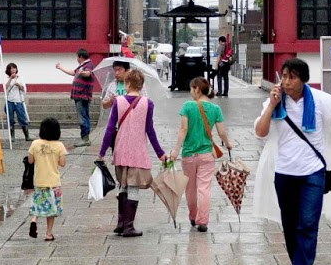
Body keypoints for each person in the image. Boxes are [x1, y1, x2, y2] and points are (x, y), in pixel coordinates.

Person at [252, 58, 331, 265]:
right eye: (284, 76)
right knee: (289, 224)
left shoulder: (323, 102)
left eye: (292, 77)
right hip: (284, 171)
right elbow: (260, 131)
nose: (286, 82)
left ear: (303, 79)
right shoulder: (276, 101)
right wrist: (271, 105)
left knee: (308, 223)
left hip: (313, 172)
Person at [99, 68, 165, 237]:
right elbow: (150, 131)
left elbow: (109, 129)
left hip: (121, 150)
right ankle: (129, 226)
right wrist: (160, 153)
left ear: (127, 83)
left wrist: (102, 152)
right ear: (141, 85)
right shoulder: (147, 104)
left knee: (123, 186)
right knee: (133, 188)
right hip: (138, 152)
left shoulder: (118, 102)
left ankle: (121, 224)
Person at [173, 76, 233, 232]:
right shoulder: (215, 109)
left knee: (190, 189)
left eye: (192, 89)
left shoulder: (187, 106)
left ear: (197, 89)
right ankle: (203, 220)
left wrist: (175, 150)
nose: (191, 92)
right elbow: (221, 132)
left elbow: (183, 130)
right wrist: (228, 144)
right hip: (206, 155)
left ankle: (193, 216)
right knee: (204, 188)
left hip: (188, 155)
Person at [25, 117, 67, 241]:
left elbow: (30, 160)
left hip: (39, 181)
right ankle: (49, 233)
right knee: (52, 209)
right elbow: (63, 163)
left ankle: (34, 219)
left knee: (39, 203)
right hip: (53, 182)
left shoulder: (35, 143)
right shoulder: (59, 145)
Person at [55, 49, 96, 143]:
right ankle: (85, 138)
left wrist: (83, 73)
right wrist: (61, 67)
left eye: (77, 57)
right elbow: (73, 72)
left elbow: (88, 73)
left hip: (82, 95)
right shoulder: (82, 66)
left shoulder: (88, 64)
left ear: (81, 57)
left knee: (83, 117)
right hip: (79, 95)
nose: (77, 59)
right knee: (84, 116)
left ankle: (85, 139)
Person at [4, 62, 31, 143]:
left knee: (22, 118)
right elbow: (5, 88)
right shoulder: (6, 78)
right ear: (9, 70)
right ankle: (12, 136)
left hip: (19, 101)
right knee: (10, 119)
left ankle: (27, 136)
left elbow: (24, 89)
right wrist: (10, 79)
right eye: (11, 68)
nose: (13, 70)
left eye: (14, 68)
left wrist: (19, 85)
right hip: (9, 101)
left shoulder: (20, 78)